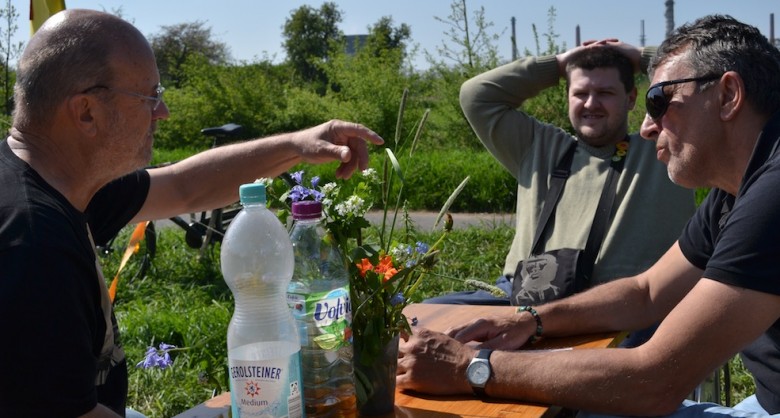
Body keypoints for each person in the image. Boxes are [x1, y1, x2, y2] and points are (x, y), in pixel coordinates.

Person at [0, 9, 384, 418]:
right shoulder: (33, 243)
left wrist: (297, 144)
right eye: (150, 96)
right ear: (86, 112)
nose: (162, 112)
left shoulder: (59, 178)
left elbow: (185, 186)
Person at [397, 14, 780, 417]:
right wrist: (529, 321)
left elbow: (655, 381)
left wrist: (469, 368)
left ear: (728, 95)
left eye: (658, 101)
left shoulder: (771, 191)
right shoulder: (735, 189)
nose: (648, 128)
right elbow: (646, 292)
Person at [424, 39, 695, 308]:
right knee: (425, 320)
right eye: (580, 93)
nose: (591, 104)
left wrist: (641, 57)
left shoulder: (666, 147)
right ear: (567, 97)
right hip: (526, 297)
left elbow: (708, 80)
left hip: (626, 306)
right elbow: (476, 95)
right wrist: (558, 64)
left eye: (605, 93)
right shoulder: (538, 147)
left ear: (632, 98)